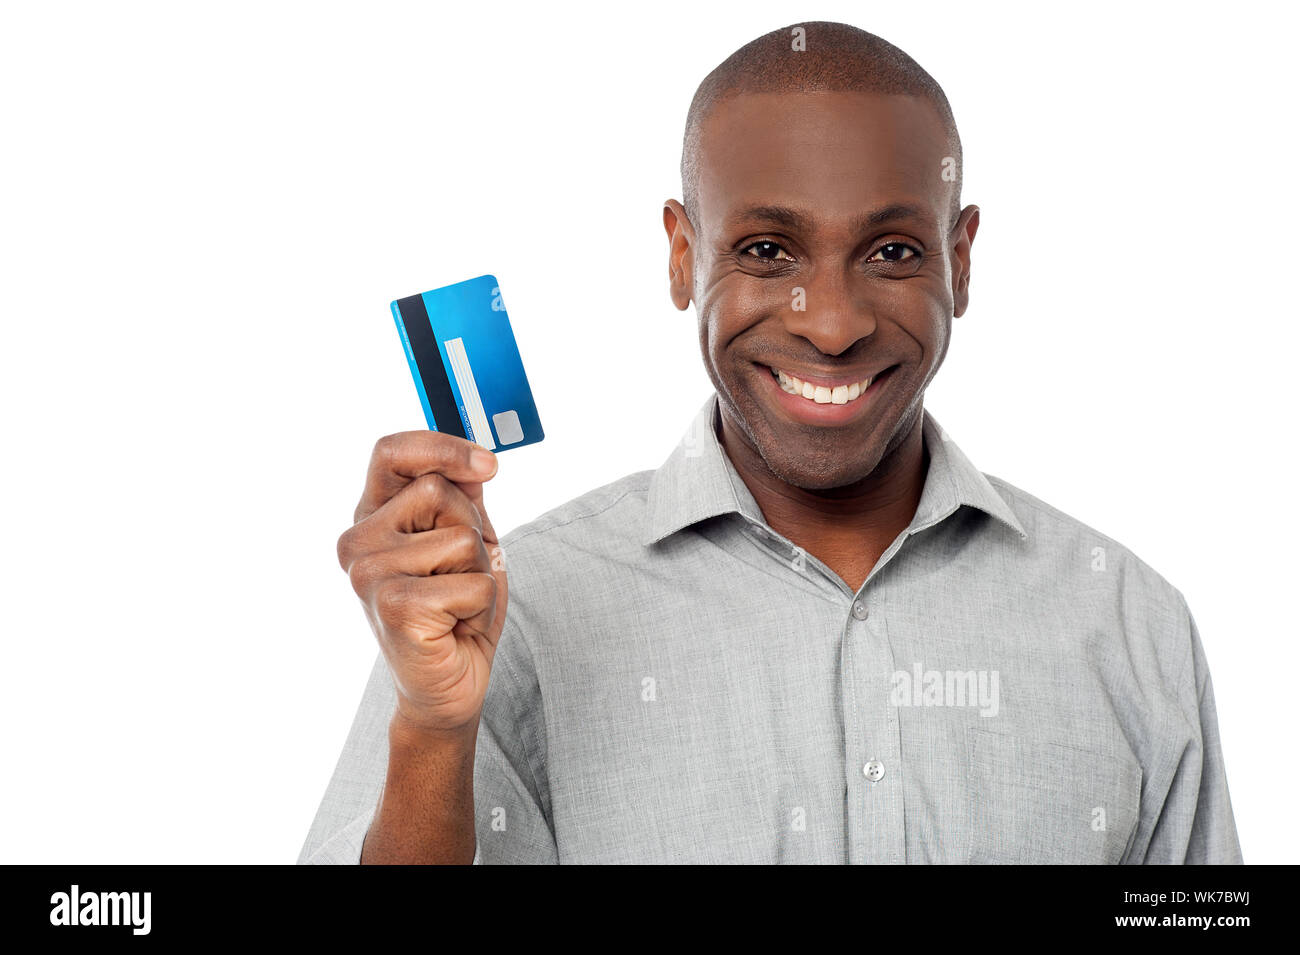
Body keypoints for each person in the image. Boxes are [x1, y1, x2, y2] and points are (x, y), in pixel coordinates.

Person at [298, 21, 1242, 864]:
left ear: (960, 261)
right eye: (766, 252)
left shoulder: (1131, 627)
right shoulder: (512, 613)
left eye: (893, 253)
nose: (830, 325)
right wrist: (431, 732)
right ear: (682, 255)